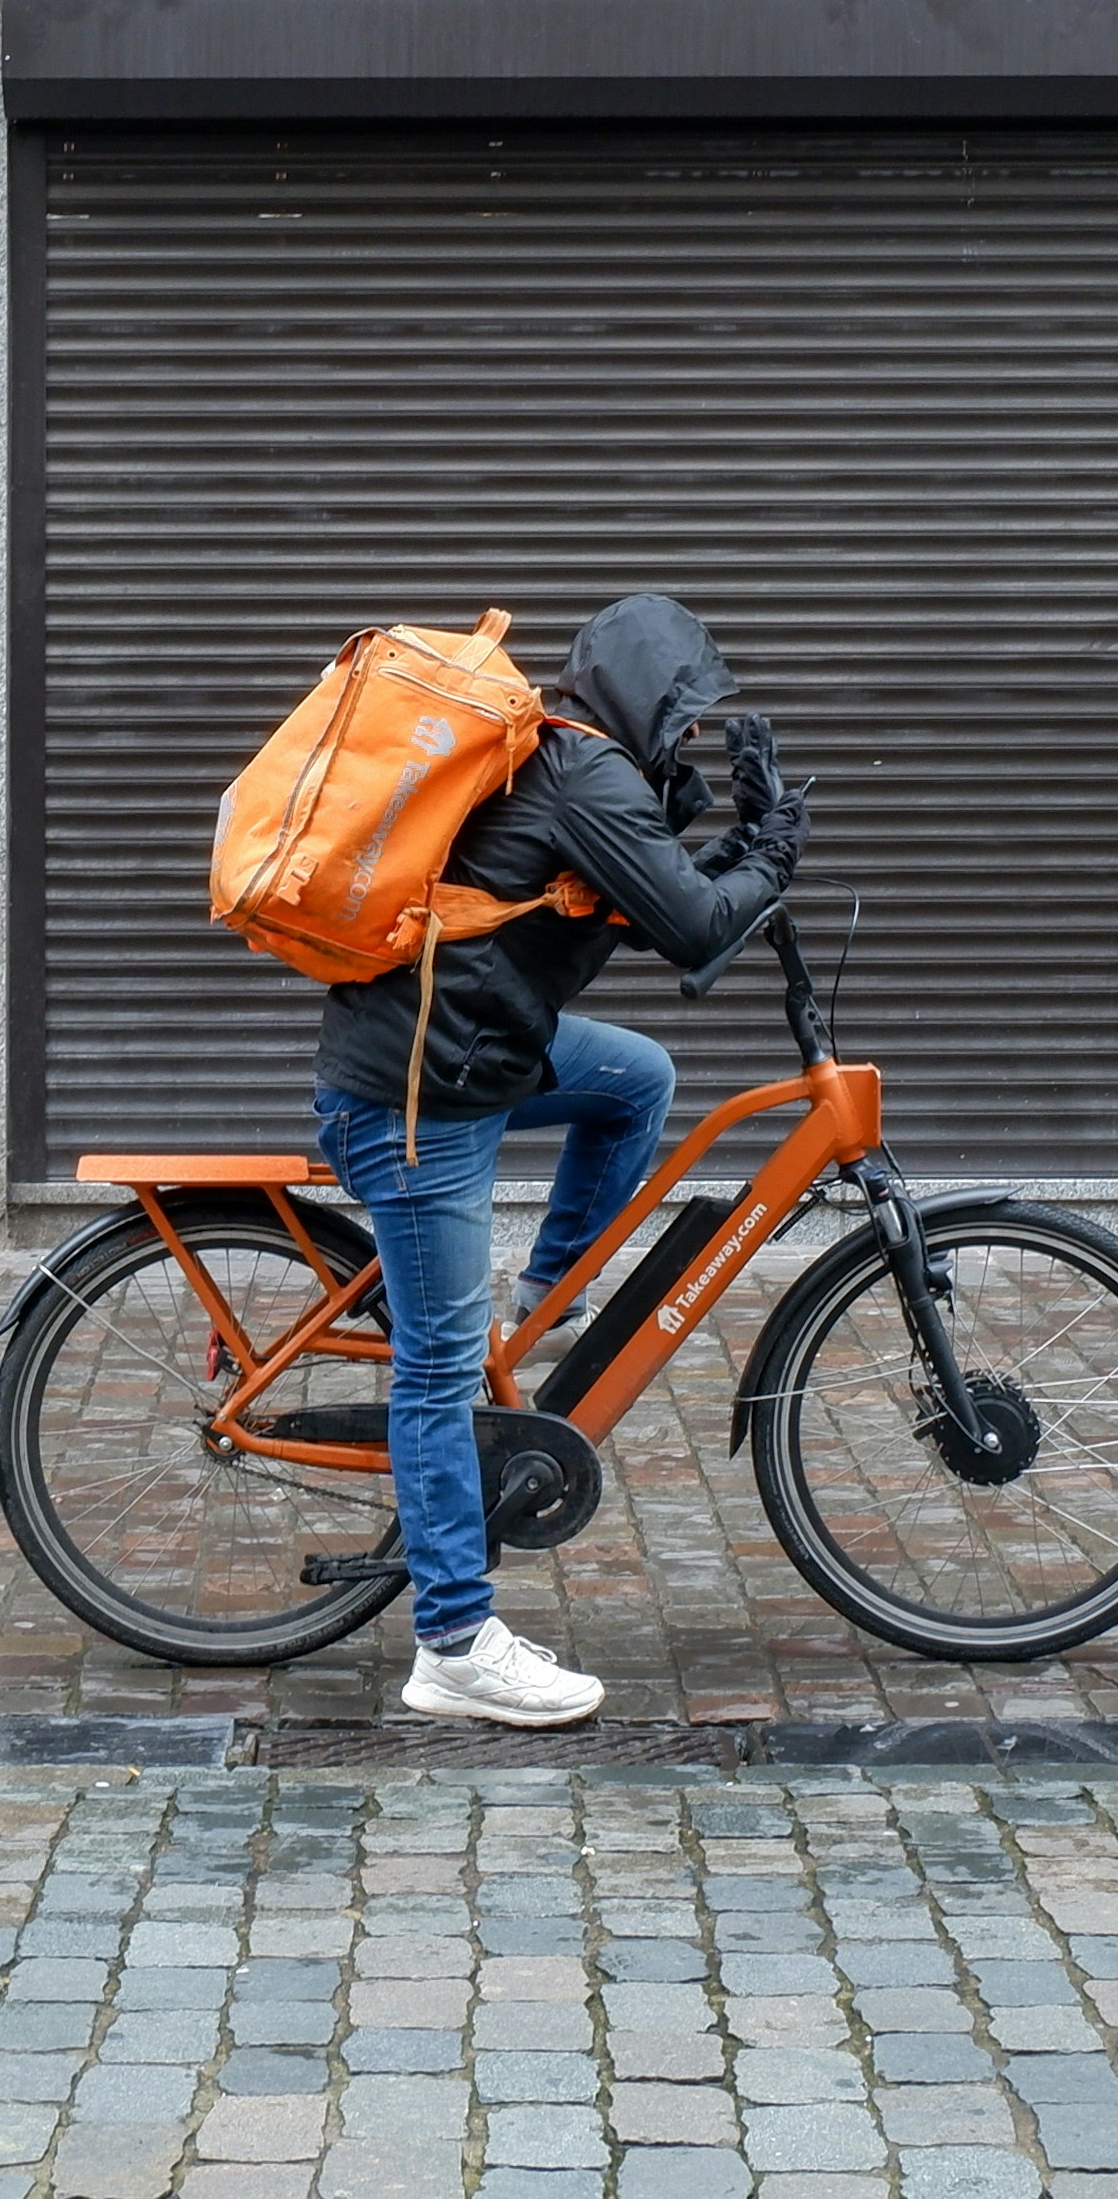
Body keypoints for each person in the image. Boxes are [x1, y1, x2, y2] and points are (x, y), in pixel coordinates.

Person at [314, 594, 810, 1729]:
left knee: (635, 1078)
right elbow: (688, 926)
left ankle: (546, 1307)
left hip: (467, 1048)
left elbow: (645, 902)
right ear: (645, 696)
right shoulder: (585, 775)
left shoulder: (570, 761)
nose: (687, 739)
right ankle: (450, 1643)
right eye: (682, 720)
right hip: (420, 1095)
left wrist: (731, 847)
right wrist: (771, 851)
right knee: (436, 1370)